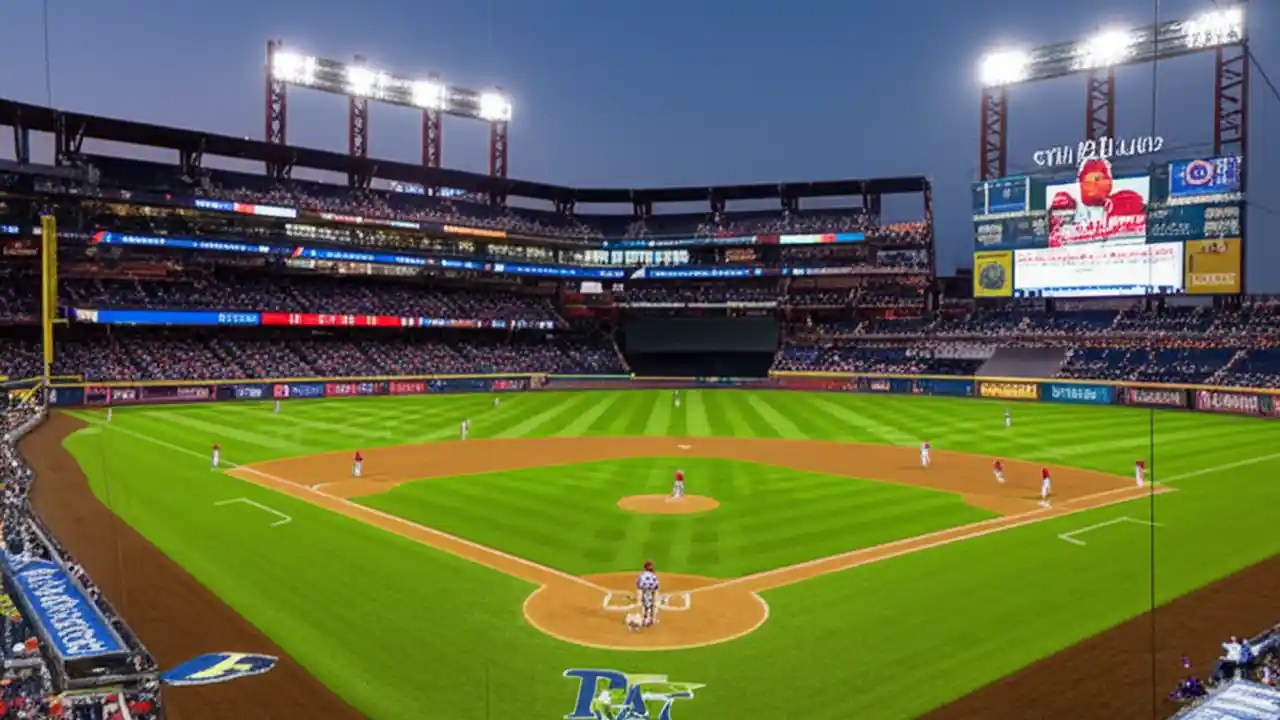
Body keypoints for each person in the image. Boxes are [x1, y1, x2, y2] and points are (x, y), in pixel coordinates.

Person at [637, 561, 660, 628]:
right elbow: (657, 585)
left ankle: (644, 619)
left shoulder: (642, 575)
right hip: (652, 591)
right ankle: (652, 619)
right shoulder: (654, 575)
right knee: (653, 605)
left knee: (644, 605)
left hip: (643, 591)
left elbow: (638, 584)